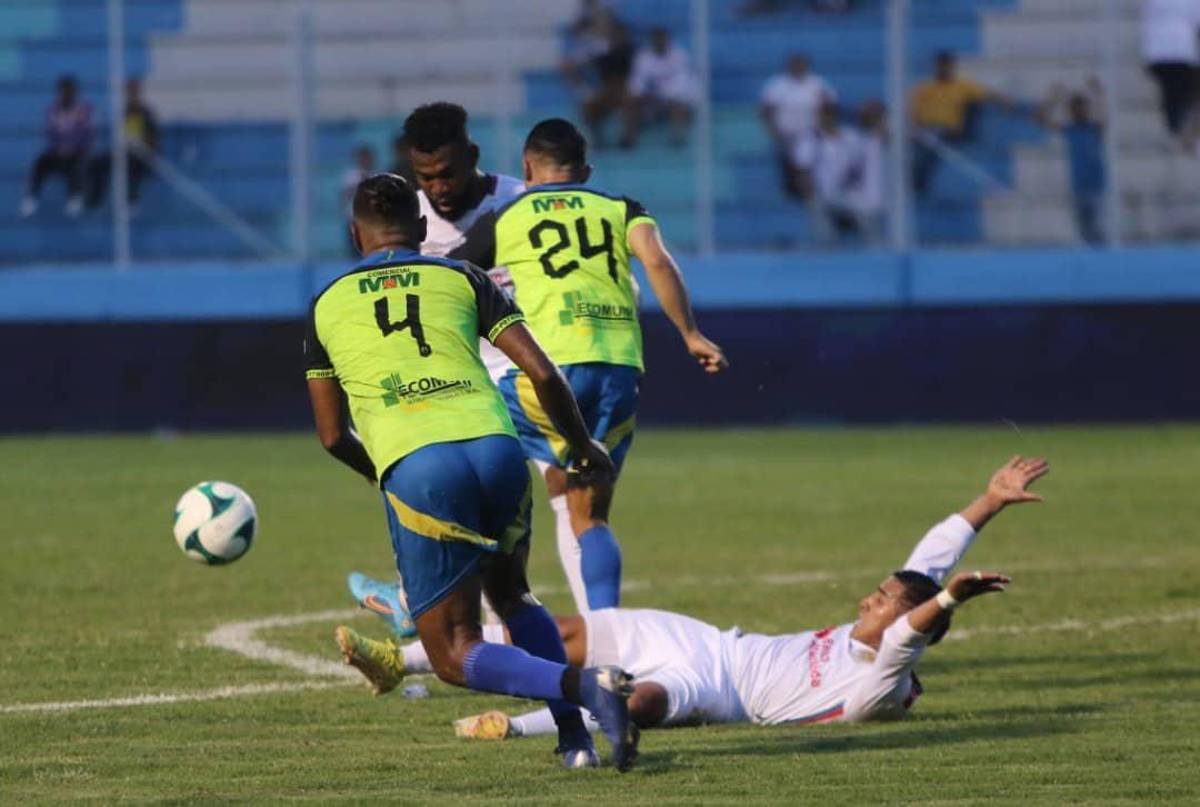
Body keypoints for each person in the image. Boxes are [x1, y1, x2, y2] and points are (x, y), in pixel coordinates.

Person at [335, 456, 1047, 741]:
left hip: (719, 688)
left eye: (884, 599)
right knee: (558, 630)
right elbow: (925, 563)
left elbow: (910, 629)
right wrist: (988, 502)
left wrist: (950, 599)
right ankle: (403, 661)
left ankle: (514, 727)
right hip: (708, 639)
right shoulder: (883, 629)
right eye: (881, 590)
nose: (871, 597)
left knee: (636, 701)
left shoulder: (879, 684)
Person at [304, 173, 637, 771]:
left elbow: (332, 436)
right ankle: (577, 742)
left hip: (420, 465)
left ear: (356, 234)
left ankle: (588, 689)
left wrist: (390, 473)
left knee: (456, 653)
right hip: (496, 448)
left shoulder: (325, 304)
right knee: (514, 594)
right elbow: (542, 374)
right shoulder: (464, 277)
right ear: (424, 226)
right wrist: (582, 444)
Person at [443, 118, 727, 617]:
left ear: (527, 168)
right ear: (586, 170)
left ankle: (431, 598)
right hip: (616, 365)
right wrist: (689, 334)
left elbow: (450, 278)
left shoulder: (507, 217)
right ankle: (605, 636)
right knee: (587, 510)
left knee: (466, 449)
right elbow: (657, 262)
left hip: (544, 371)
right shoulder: (620, 207)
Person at [343, 102, 525, 637]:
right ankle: (414, 595)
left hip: (515, 377)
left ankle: (417, 607)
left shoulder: (516, 204)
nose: (439, 187)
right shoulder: (405, 218)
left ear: (472, 156)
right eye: (425, 177)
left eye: (447, 173)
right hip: (449, 386)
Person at [909, 51, 1007, 196]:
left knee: (929, 142)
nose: (943, 69)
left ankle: (917, 182)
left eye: (946, 65)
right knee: (921, 142)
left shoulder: (962, 86)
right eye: (940, 65)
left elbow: (988, 94)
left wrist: (1004, 100)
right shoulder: (924, 87)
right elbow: (912, 113)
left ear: (952, 66)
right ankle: (915, 182)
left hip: (950, 130)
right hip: (926, 130)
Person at [1036, 81, 1106, 245]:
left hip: (1097, 185)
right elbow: (1040, 119)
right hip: (1078, 185)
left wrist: (1098, 93)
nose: (1079, 111)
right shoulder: (1070, 129)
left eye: (1082, 107)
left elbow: (1105, 114)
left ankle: (1103, 254)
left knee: (1100, 225)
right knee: (1083, 227)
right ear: (1070, 111)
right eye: (1075, 108)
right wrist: (1053, 99)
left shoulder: (1094, 128)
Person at [760, 54, 837, 198]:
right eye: (795, 65)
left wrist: (823, 126)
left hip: (809, 132)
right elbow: (766, 109)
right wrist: (771, 129)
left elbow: (829, 106)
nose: (798, 68)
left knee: (806, 158)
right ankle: (791, 186)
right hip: (784, 133)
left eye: (801, 65)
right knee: (789, 157)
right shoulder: (778, 85)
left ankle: (808, 189)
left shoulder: (817, 84)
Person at [793, 101, 870, 244]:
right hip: (821, 193)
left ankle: (873, 249)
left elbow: (861, 165)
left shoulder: (850, 137)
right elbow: (802, 170)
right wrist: (809, 193)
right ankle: (828, 247)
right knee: (817, 210)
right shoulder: (810, 140)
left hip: (847, 193)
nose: (826, 118)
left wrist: (854, 183)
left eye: (829, 114)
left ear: (835, 116)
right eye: (822, 115)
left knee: (866, 210)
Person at [21, 75, 94, 218]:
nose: (66, 95)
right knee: (41, 162)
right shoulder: (53, 111)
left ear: (75, 92)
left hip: (77, 151)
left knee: (77, 163)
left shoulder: (83, 110)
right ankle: (32, 197)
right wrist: (59, 147)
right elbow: (49, 133)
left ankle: (75, 197)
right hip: (58, 151)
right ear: (59, 93)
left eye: (69, 92)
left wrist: (73, 146)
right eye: (63, 92)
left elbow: (87, 133)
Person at [83, 78, 158, 212]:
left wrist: (143, 145)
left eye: (134, 92)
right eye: (129, 92)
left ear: (139, 93)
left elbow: (153, 140)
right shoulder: (124, 112)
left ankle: (132, 200)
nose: (131, 95)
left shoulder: (146, 113)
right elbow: (120, 137)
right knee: (96, 162)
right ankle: (95, 199)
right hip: (125, 152)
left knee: (132, 164)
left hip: (142, 155)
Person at [621, 28, 698, 149]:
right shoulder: (643, 57)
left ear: (667, 40)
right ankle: (629, 138)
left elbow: (683, 81)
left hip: (675, 97)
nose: (659, 43)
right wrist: (639, 93)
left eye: (661, 40)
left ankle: (677, 138)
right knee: (629, 101)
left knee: (677, 104)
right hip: (651, 97)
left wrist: (663, 95)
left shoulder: (679, 55)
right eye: (656, 40)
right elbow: (637, 79)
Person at [1140, 0, 1200, 145]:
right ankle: (1180, 130)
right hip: (1181, 49)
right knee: (1180, 93)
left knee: (1171, 93)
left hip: (1158, 51)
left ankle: (1176, 128)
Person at [339, 145, 376, 256]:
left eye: (367, 157)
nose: (365, 160)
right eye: (363, 157)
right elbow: (344, 196)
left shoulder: (377, 174)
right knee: (354, 251)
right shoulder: (350, 176)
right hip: (353, 219)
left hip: (373, 220)